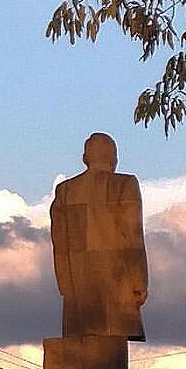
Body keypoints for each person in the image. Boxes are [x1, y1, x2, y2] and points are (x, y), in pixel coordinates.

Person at [50, 132, 148, 341]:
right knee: (111, 353)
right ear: (114, 158)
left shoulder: (65, 191)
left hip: (78, 292)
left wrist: (66, 286)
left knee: (82, 347)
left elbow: (59, 244)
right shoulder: (126, 185)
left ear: (85, 158)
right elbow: (133, 237)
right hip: (117, 287)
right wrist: (139, 282)